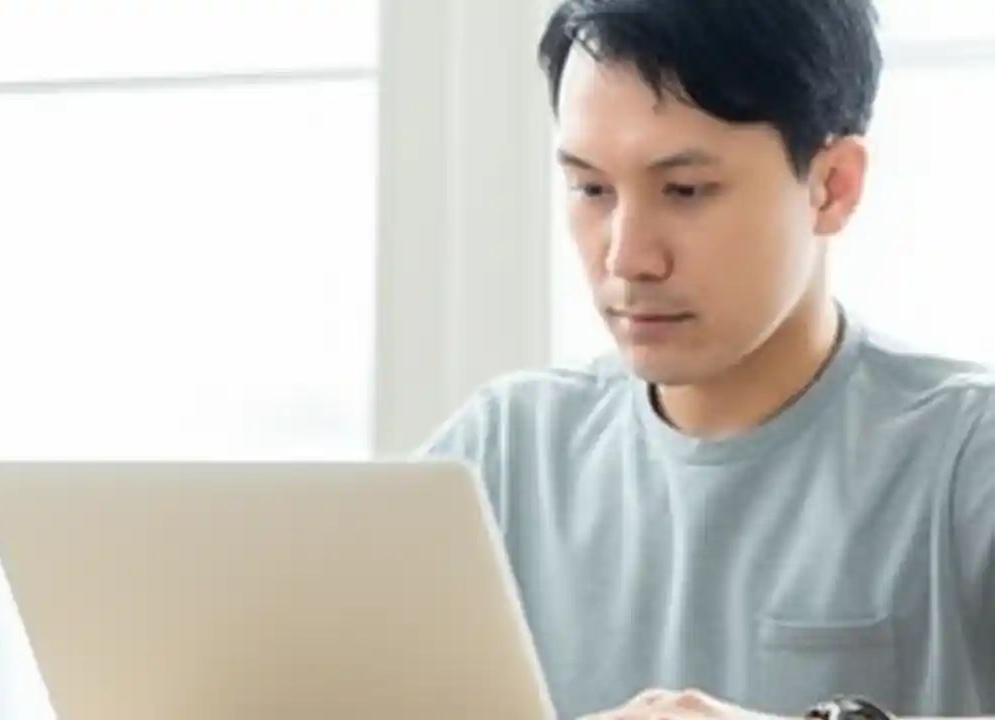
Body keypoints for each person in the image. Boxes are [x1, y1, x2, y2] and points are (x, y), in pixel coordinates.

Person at [417, 1, 995, 718]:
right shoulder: (501, 453)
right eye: (591, 189)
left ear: (832, 185)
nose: (627, 257)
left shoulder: (967, 460)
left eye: (685, 191)